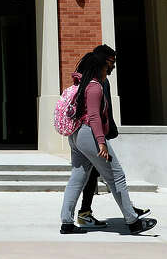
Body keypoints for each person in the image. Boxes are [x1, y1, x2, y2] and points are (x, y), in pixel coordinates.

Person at [59, 46, 157, 235]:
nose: (110, 69)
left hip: (76, 135)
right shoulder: (94, 87)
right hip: (90, 135)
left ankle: (67, 223)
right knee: (117, 176)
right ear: (100, 67)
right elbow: (94, 116)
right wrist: (101, 142)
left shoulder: (81, 84)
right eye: (109, 65)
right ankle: (133, 221)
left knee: (77, 179)